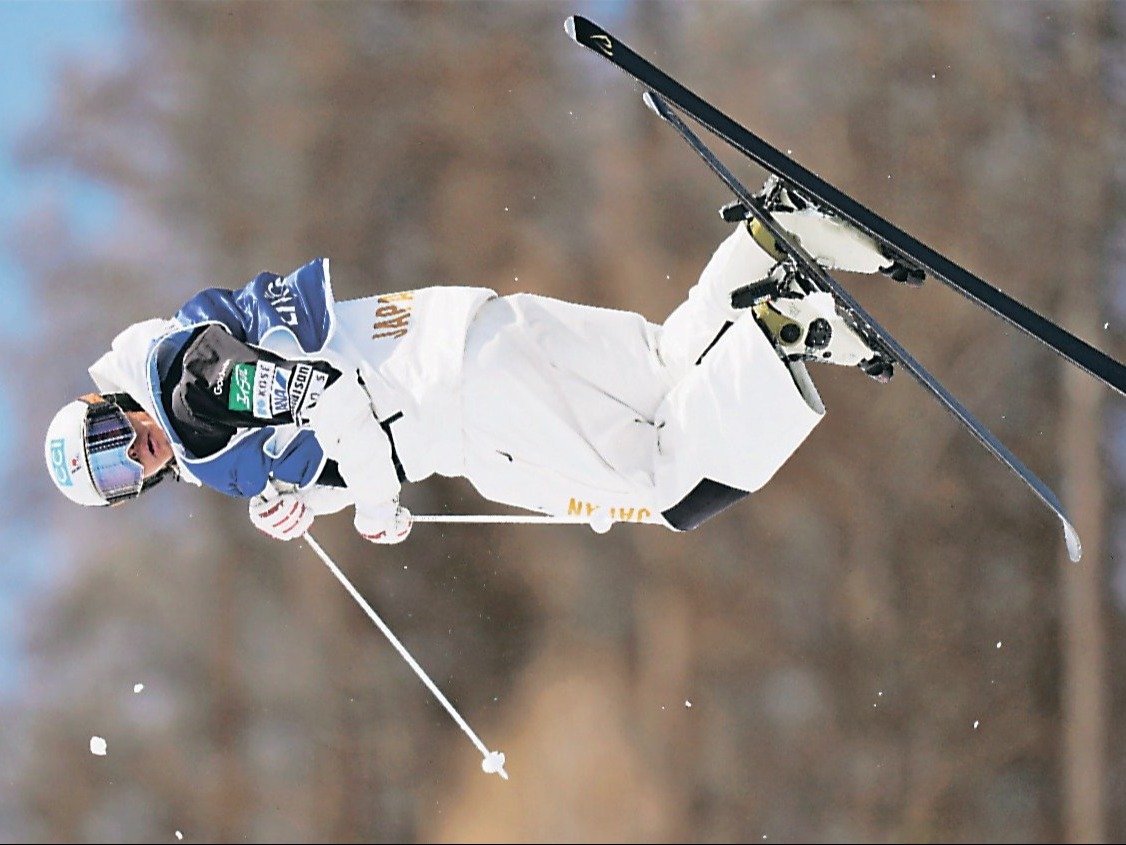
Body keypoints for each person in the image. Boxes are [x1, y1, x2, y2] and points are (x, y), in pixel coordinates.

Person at [44, 187, 902, 544]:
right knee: (667, 366)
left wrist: (375, 504)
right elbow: (310, 383)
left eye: (111, 433)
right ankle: (770, 247)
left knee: (666, 486)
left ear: (104, 399)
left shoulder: (190, 397)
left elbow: (322, 391)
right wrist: (318, 493)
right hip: (466, 328)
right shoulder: (183, 358)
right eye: (119, 473)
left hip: (465, 405)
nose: (137, 451)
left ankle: (787, 332)